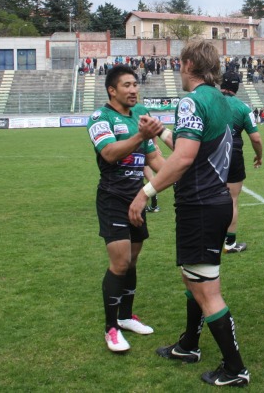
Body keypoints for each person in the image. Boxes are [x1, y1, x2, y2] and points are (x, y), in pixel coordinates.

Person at [128, 39, 250, 387]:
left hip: (200, 205)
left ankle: (235, 368)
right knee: (194, 278)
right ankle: (189, 345)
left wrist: (145, 192)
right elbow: (193, 148)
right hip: (214, 202)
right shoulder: (220, 101)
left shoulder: (192, 101)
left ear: (186, 65)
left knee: (207, 289)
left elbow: (182, 159)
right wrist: (162, 131)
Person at [88, 65, 165, 352]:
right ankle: (111, 328)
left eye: (135, 84)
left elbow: (155, 159)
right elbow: (108, 153)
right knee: (119, 262)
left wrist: (181, 174)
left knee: (132, 261)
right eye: (127, 85)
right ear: (112, 90)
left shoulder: (140, 114)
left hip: (137, 197)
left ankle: (125, 316)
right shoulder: (100, 117)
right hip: (112, 198)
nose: (134, 89)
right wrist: (141, 135)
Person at [220, 70, 263, 253]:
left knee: (207, 196)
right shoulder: (243, 108)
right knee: (232, 200)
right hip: (233, 154)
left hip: (209, 153)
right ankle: (229, 243)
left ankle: (208, 239)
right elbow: (256, 139)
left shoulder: (209, 101)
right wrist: (259, 156)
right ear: (237, 86)